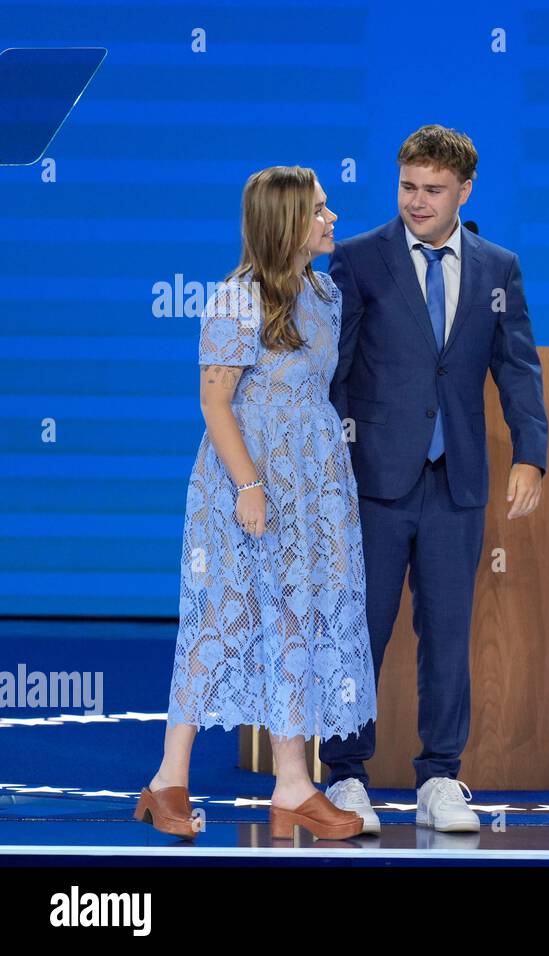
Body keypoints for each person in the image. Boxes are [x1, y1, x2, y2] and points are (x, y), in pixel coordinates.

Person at [319, 125, 548, 834]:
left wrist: (531, 453)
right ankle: (346, 774)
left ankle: (441, 777)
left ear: (464, 191)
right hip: (374, 482)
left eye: (434, 190)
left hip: (458, 482)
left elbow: (518, 366)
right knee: (362, 631)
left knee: (449, 634)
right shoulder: (357, 262)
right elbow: (334, 374)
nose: (418, 201)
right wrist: (329, 470)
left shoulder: (497, 268)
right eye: (408, 187)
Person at [138, 166, 378, 841]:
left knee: (297, 624)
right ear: (288, 223)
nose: (333, 219)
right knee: (222, 623)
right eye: (320, 210)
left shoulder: (325, 294)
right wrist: (249, 485)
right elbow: (216, 402)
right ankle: (167, 779)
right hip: (245, 487)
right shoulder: (236, 299)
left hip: (314, 488)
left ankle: (294, 785)